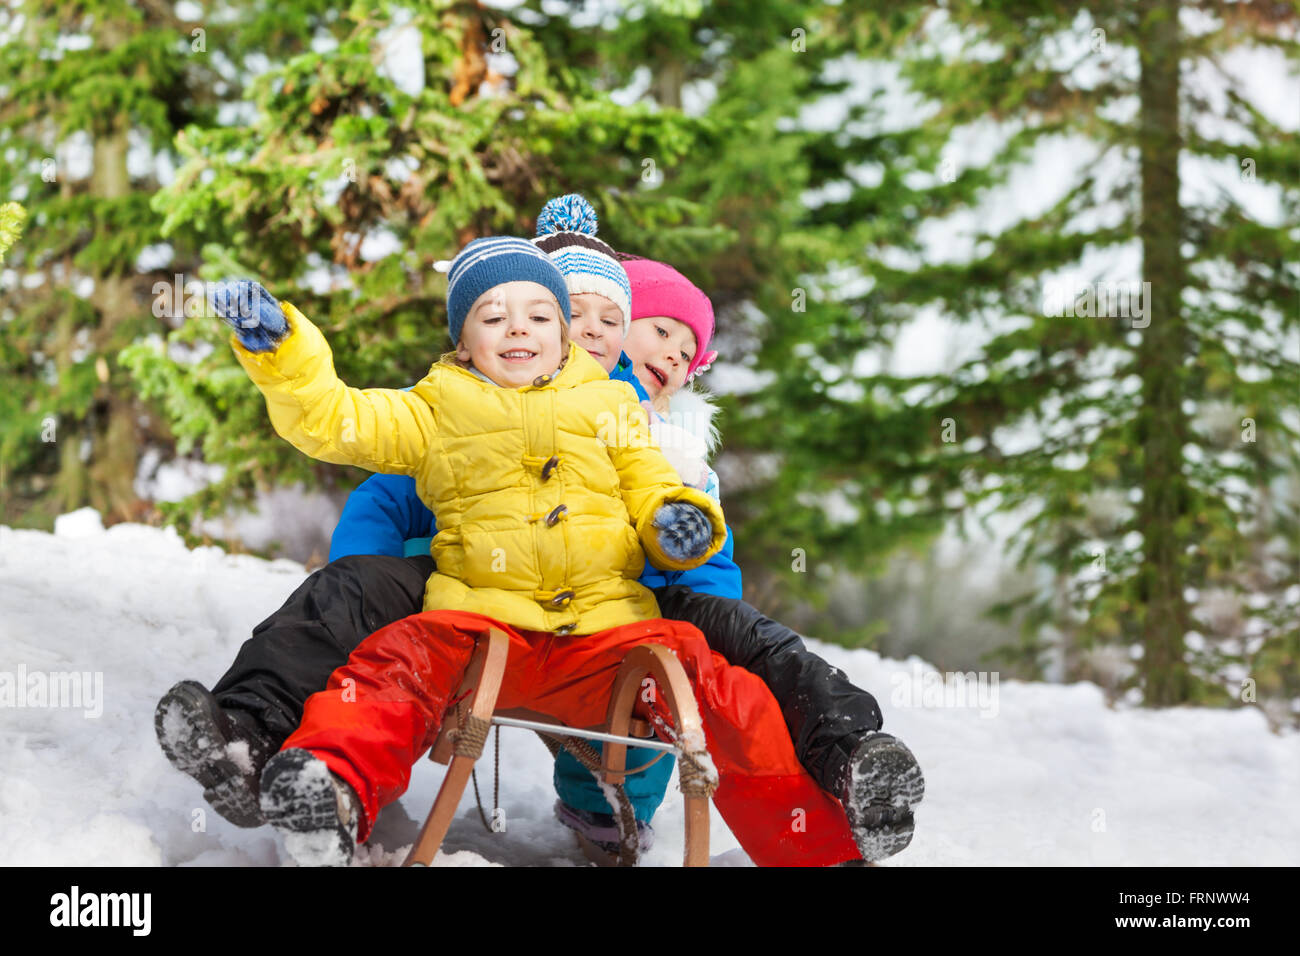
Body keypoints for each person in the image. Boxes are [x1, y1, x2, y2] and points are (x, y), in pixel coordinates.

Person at [157, 197, 922, 865]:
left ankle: (823, 840)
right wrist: (284, 353)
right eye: (493, 317)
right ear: (463, 341)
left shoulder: (614, 410)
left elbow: (653, 484)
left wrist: (676, 524)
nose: (518, 330)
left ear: (572, 338)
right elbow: (339, 419)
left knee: (724, 688)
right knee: (390, 664)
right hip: (477, 622)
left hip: (611, 632)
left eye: (541, 318)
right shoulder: (438, 407)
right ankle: (325, 792)